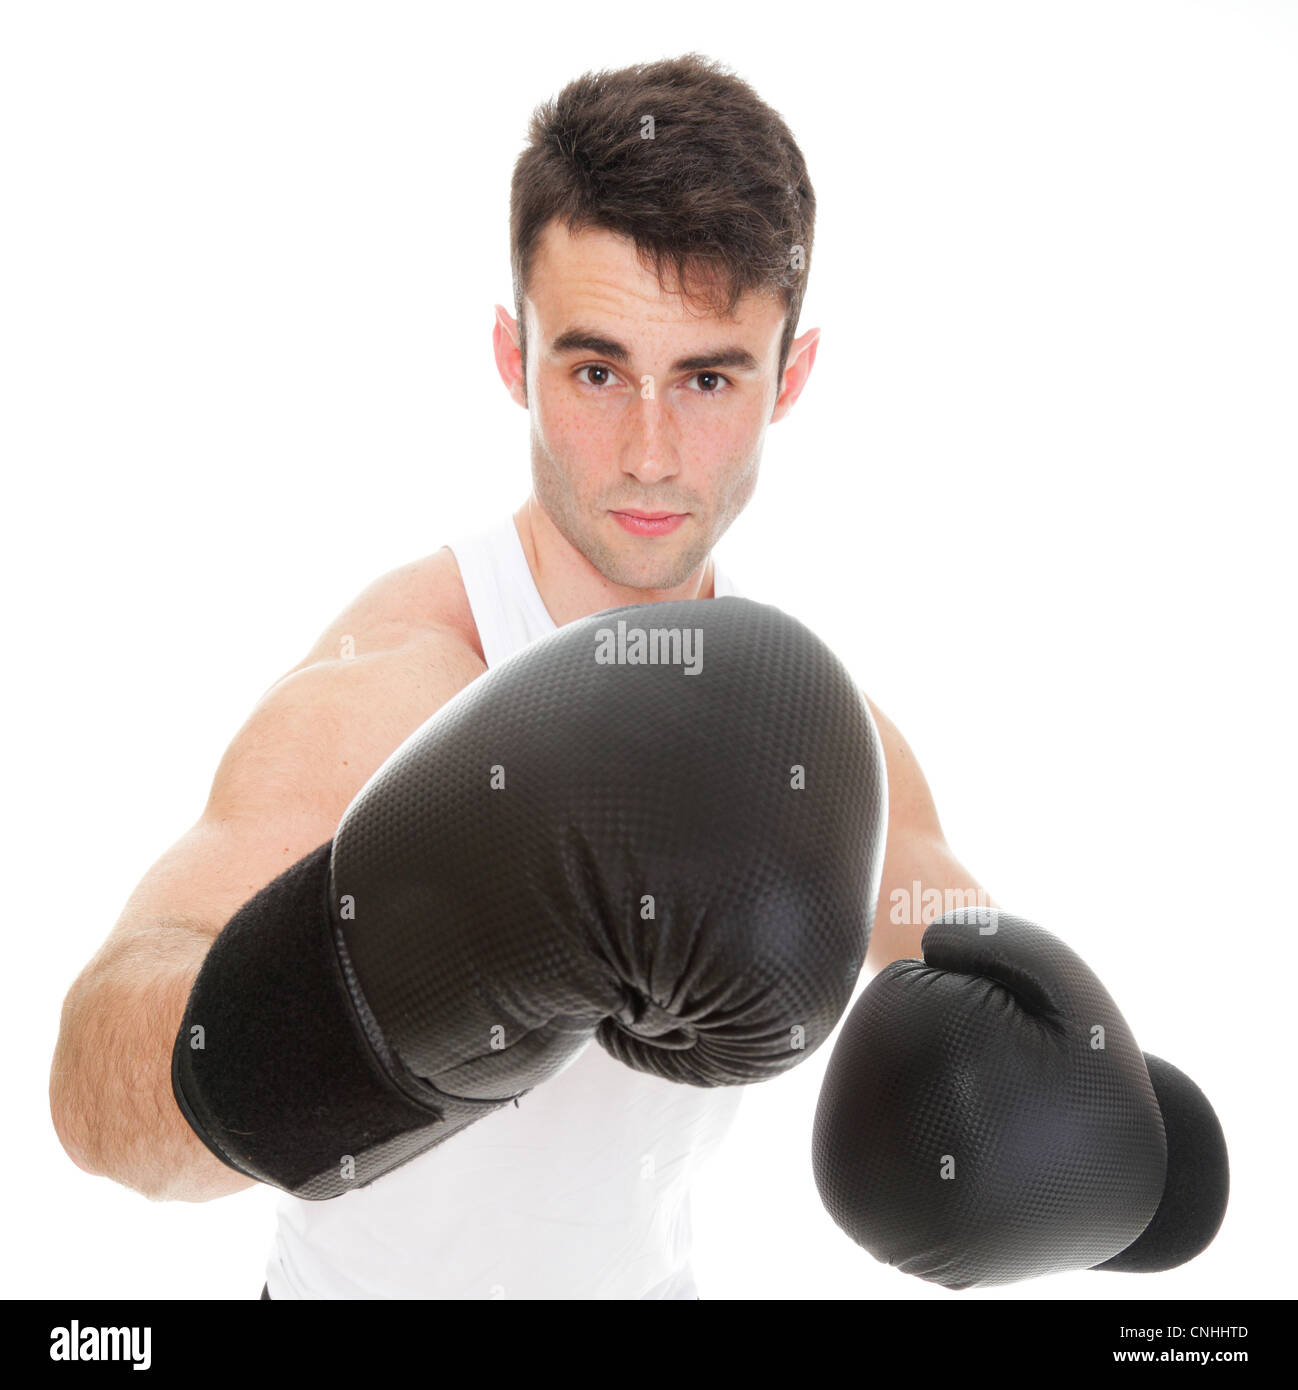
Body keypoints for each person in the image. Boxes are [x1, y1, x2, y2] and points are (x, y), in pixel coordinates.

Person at [49, 53, 994, 1299]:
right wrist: (370, 1007)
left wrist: (1057, 1097)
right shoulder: (397, 686)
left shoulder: (812, 736)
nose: (650, 453)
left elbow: (945, 927)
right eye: (594, 371)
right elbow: (94, 1095)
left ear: (791, 377)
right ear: (512, 355)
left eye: (707, 377)